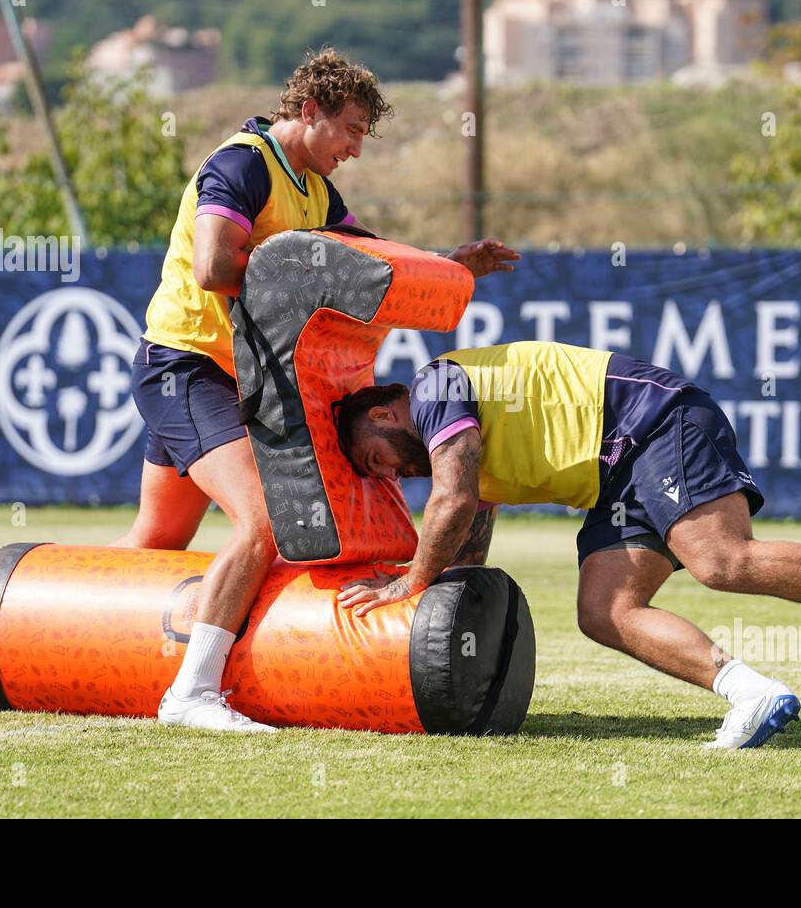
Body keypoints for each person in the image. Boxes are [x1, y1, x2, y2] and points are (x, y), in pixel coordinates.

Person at [116, 48, 519, 733]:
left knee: (156, 541)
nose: (357, 149)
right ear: (310, 111)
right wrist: (296, 281)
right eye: (352, 130)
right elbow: (215, 266)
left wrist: (449, 266)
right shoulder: (242, 164)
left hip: (236, 376)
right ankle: (191, 695)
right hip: (187, 367)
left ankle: (113, 663)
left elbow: (371, 270)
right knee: (264, 525)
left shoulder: (319, 193)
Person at [331, 341, 801, 749]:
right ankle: (752, 693)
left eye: (374, 460)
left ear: (387, 414)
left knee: (719, 559)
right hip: (612, 479)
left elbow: (453, 504)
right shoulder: (457, 448)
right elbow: (468, 540)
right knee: (605, 612)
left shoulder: (434, 386)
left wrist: (407, 581)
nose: (387, 474)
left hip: (649, 421)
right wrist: (435, 613)